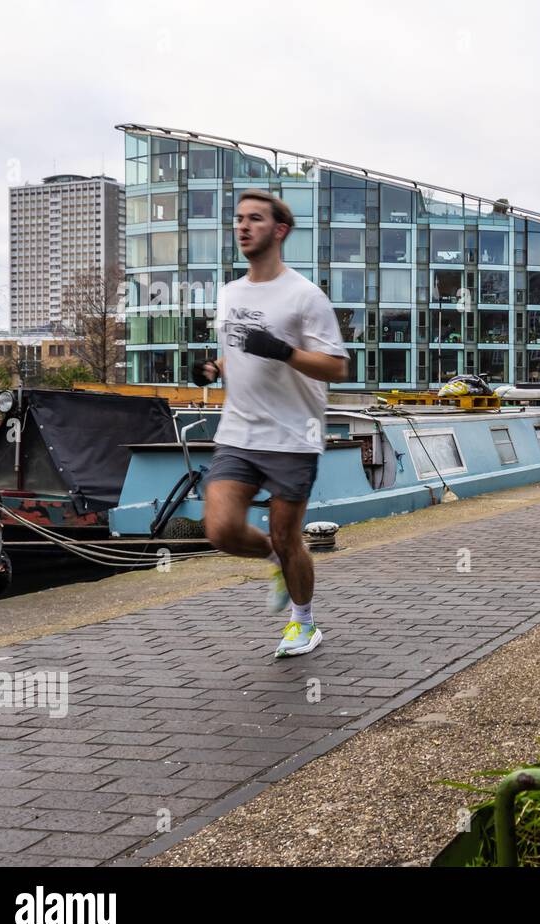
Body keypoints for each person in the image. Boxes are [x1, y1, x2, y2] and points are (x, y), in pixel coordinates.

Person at [191, 190, 348, 658]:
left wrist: (283, 351)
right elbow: (239, 347)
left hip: (292, 434)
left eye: (254, 219)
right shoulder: (229, 292)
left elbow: (337, 367)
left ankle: (304, 623)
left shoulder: (305, 296)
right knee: (220, 530)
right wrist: (216, 367)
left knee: (287, 534)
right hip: (239, 430)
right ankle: (276, 560)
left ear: (279, 230)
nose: (242, 227)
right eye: (238, 219)